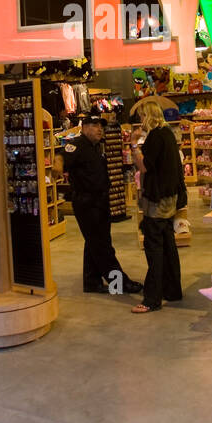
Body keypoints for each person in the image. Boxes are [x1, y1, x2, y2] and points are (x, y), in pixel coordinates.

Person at [60, 114, 141, 295]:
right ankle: (119, 285)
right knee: (103, 246)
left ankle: (91, 282)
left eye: (101, 126)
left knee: (94, 243)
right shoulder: (77, 145)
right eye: (95, 125)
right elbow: (61, 160)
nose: (99, 129)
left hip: (99, 201)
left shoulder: (96, 147)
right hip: (87, 203)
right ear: (84, 127)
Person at [132, 104, 184, 314]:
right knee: (168, 244)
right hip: (171, 196)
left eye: (142, 116)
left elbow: (145, 167)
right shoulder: (169, 134)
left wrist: (134, 145)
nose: (141, 120)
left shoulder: (155, 137)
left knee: (154, 248)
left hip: (157, 198)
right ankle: (172, 290)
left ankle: (152, 298)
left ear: (147, 116)